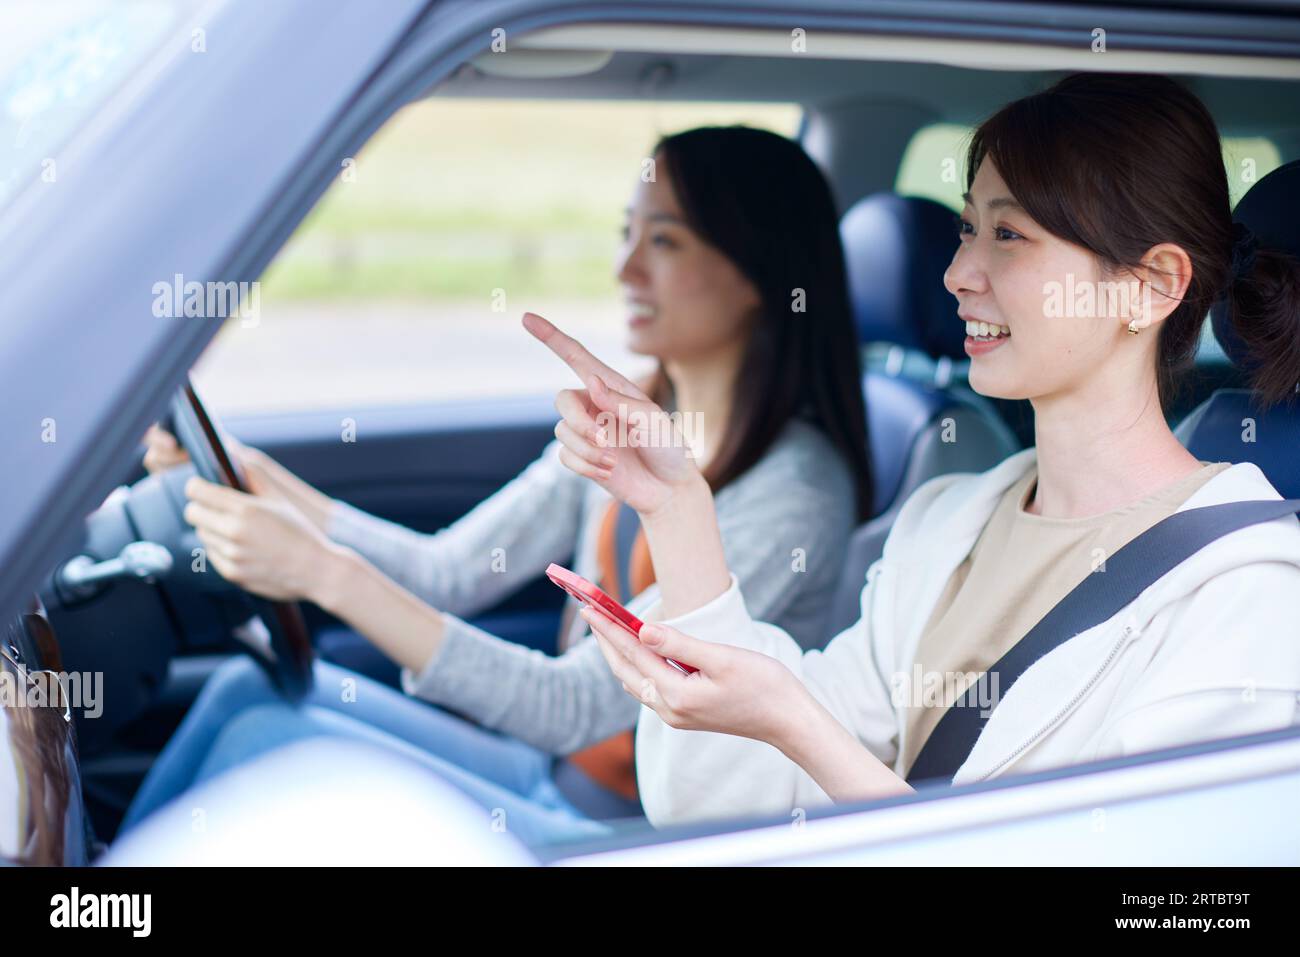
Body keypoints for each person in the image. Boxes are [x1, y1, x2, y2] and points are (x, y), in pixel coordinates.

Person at [542, 73, 1300, 829]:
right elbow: (743, 801)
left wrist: (793, 722)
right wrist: (676, 508)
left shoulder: (1245, 593)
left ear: (1150, 286)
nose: (957, 273)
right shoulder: (945, 525)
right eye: (969, 228)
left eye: (1009, 235)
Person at [121, 126, 875, 845]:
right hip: (550, 778)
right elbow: (449, 570)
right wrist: (271, 485)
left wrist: (322, 571)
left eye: (665, 241)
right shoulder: (639, 418)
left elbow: (573, 704)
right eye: (627, 232)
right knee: (240, 694)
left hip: (630, 828)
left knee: (263, 736)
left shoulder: (795, 492)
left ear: (759, 274)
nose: (625, 269)